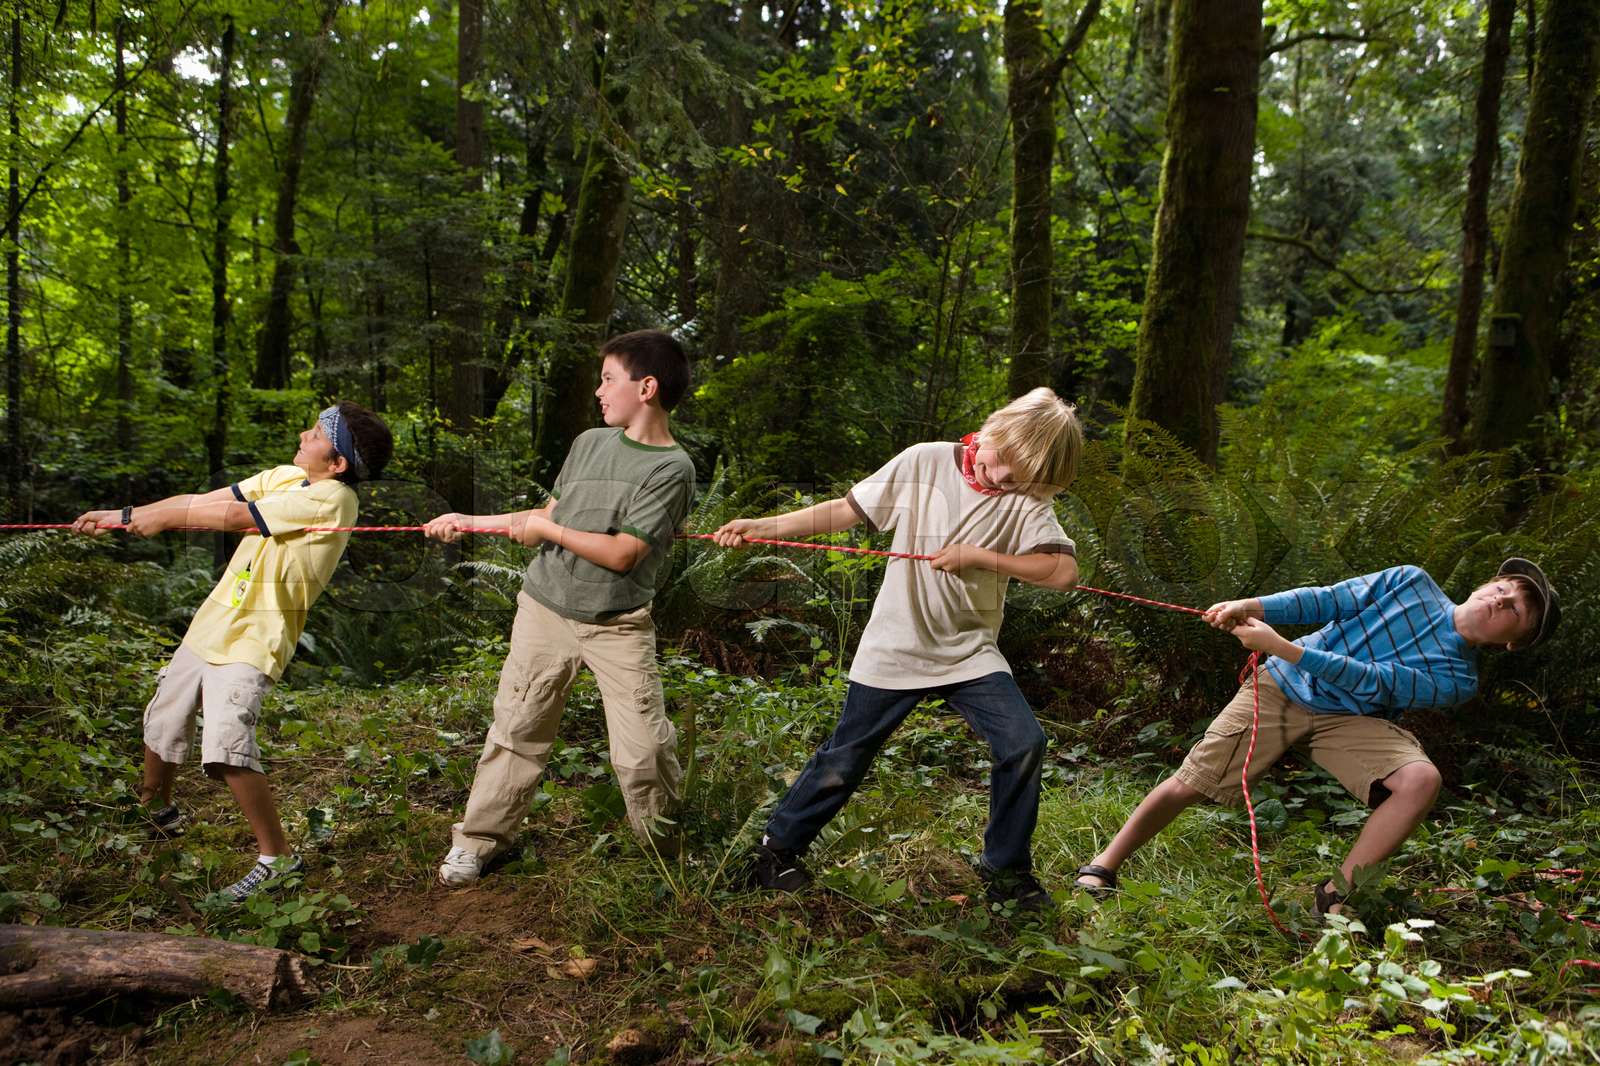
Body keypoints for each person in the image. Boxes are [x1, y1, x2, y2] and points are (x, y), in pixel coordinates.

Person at [715, 388, 1084, 911]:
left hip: (969, 652)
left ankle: (1006, 872)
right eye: (1006, 463)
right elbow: (844, 512)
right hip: (897, 646)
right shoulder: (925, 461)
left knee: (1024, 743)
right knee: (846, 756)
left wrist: (982, 557)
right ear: (995, 430)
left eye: (1021, 478)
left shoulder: (1026, 500)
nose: (1004, 480)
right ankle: (776, 852)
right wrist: (765, 527)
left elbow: (1064, 572)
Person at [1073, 560, 1560, 915]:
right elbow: (1329, 598)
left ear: (1512, 642)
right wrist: (1251, 606)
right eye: (1500, 587)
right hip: (1282, 686)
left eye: (1514, 609)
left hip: (1347, 716)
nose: (1499, 599)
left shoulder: (1459, 678)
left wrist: (1281, 647)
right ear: (1482, 584)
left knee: (1420, 780)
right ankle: (1104, 865)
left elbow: (1375, 682)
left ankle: (1335, 897)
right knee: (1192, 782)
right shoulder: (1409, 582)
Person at [72, 402, 394, 901]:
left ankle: (276, 858)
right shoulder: (288, 476)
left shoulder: (334, 499)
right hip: (215, 620)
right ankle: (154, 810)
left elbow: (232, 516)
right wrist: (128, 515)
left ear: (337, 464)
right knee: (164, 716)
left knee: (226, 742)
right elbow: (205, 499)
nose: (303, 435)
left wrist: (162, 521)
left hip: (256, 635)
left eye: (315, 434)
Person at [431, 330, 697, 886]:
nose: (599, 391)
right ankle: (478, 842)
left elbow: (623, 553)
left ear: (646, 387)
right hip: (545, 608)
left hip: (617, 625)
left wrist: (548, 527)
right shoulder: (588, 443)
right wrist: (471, 522)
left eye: (608, 379)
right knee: (517, 727)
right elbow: (548, 513)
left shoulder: (671, 468)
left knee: (644, 748)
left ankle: (663, 854)